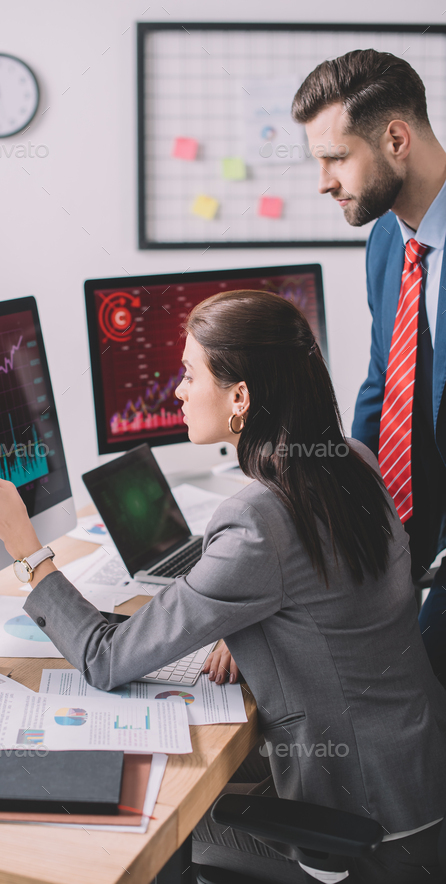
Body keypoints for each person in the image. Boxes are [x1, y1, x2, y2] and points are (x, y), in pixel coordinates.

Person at [0, 289, 446, 883]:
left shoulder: (259, 520)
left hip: (362, 836)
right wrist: (251, 621)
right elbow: (331, 599)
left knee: (142, 832)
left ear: (241, 397)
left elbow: (106, 659)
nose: (177, 391)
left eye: (188, 374)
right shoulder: (353, 460)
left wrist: (27, 550)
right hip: (420, 790)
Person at [292, 48, 446, 687]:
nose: (323, 181)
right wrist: (330, 498)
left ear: (396, 138)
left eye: (334, 158)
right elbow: (386, 383)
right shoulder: (388, 240)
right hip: (411, 533)